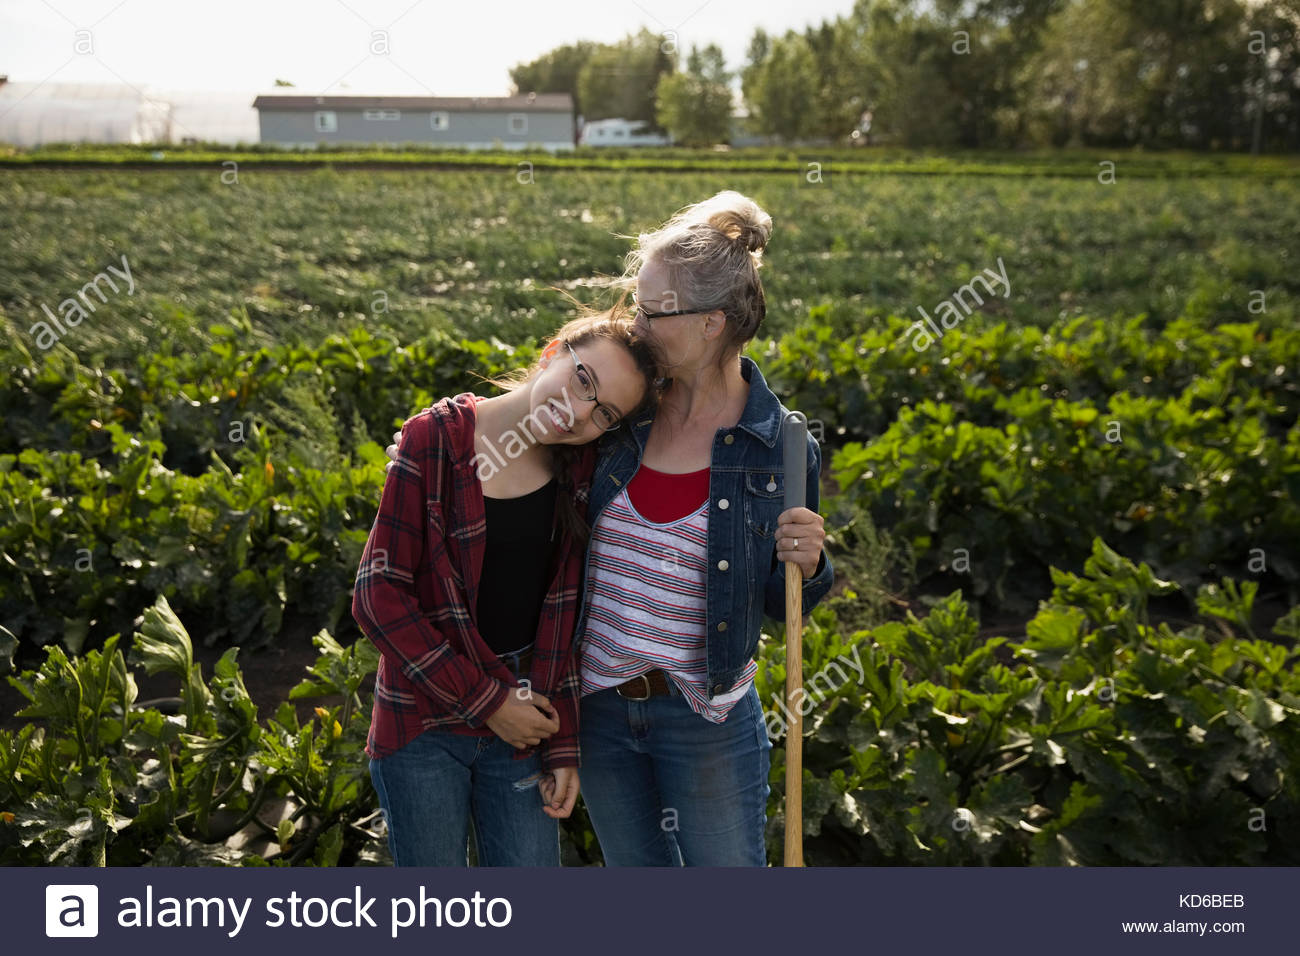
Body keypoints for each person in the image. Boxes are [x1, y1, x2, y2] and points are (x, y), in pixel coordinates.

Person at [573, 190, 833, 866]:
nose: (635, 324)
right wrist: (441, 444)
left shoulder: (778, 444)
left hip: (706, 720)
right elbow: (529, 426)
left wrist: (811, 562)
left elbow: (783, 603)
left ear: (713, 322)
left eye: (653, 310)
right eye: (636, 302)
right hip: (597, 711)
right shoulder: (619, 412)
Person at [353, 312, 658, 867]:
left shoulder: (579, 471)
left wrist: (560, 741)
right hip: (422, 720)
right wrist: (489, 702)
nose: (579, 411)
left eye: (604, 413)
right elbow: (379, 596)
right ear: (551, 352)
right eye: (582, 379)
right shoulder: (435, 440)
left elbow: (561, 620)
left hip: (525, 716)